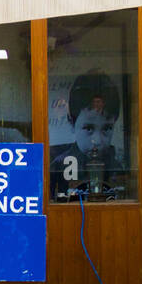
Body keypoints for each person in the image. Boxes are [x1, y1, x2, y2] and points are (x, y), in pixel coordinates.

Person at [50, 70, 123, 198]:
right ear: (72, 122)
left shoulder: (116, 166)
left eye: (106, 129)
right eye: (88, 129)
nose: (97, 140)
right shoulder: (58, 165)